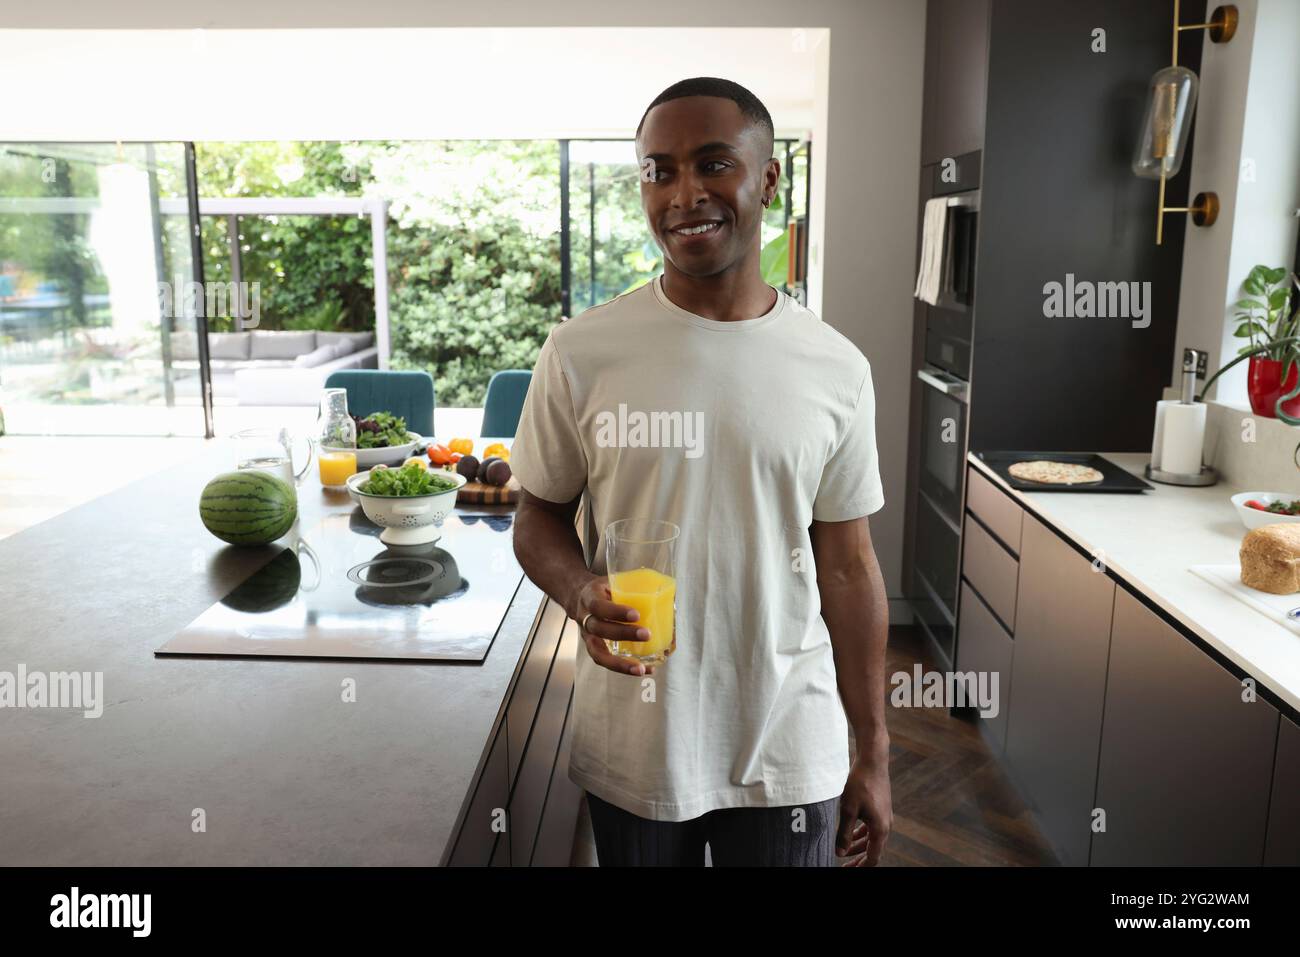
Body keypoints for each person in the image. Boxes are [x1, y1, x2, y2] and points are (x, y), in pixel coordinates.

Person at [509, 76, 892, 867]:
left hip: (790, 745)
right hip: (639, 745)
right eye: (659, 170)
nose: (684, 194)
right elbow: (535, 517)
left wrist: (874, 753)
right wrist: (584, 593)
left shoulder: (836, 368)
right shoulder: (581, 352)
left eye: (714, 164)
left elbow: (849, 568)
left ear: (770, 177)